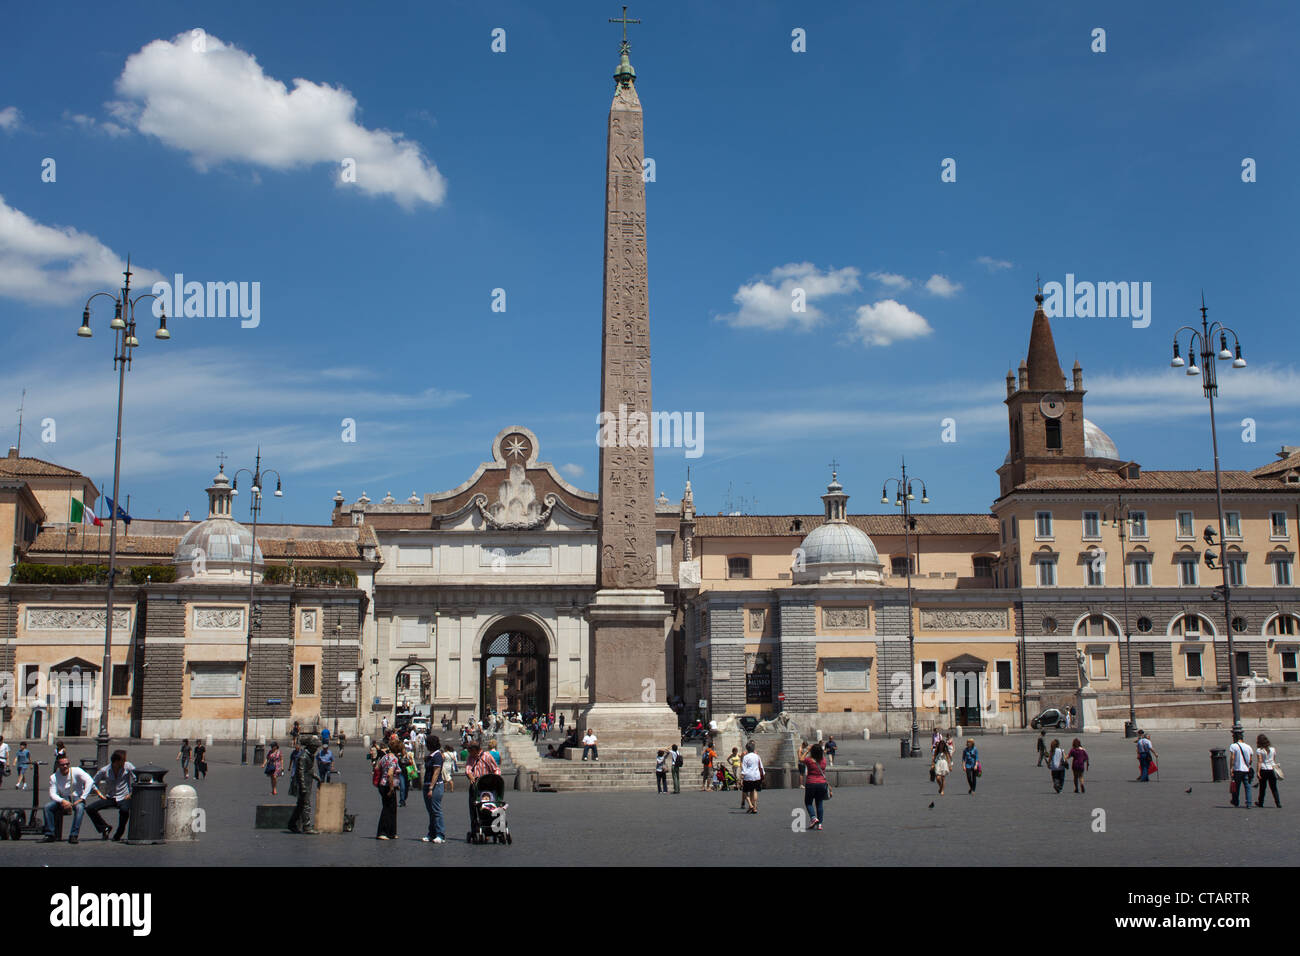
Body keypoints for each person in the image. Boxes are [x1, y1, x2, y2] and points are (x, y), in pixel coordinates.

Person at [41, 754, 95, 843]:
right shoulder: (54, 777)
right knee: (47, 807)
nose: (65, 766)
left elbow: (90, 781)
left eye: (67, 764)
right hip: (63, 798)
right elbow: (52, 794)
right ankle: (50, 834)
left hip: (76, 797)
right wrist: (62, 801)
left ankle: (74, 835)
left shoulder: (76, 771)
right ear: (58, 766)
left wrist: (83, 797)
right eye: (62, 764)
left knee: (80, 808)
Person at [86, 750, 135, 841]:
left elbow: (137, 779)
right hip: (111, 797)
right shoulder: (105, 770)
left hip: (124, 797)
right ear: (116, 761)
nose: (124, 762)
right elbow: (93, 782)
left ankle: (119, 833)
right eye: (123, 761)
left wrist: (131, 794)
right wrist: (99, 794)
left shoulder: (128, 766)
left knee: (124, 810)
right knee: (90, 808)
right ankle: (104, 827)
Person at [464, 741, 500, 835]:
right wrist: (470, 776)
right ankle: (474, 829)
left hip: (487, 786)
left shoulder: (487, 756)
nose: (469, 753)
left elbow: (496, 768)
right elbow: (468, 769)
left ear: (476, 749)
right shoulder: (470, 757)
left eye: (470, 751)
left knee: (488, 807)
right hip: (475, 786)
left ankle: (489, 829)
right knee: (473, 808)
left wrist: (496, 779)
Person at [797, 741, 828, 830]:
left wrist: (807, 751)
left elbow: (801, 759)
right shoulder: (824, 760)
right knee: (819, 803)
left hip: (811, 783)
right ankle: (820, 824)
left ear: (812, 752)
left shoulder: (809, 760)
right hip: (822, 783)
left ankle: (813, 818)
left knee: (808, 802)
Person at [422, 734, 445, 843]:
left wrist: (431, 787)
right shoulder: (431, 755)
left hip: (435, 786)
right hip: (427, 785)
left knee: (436, 810)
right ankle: (431, 833)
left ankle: (440, 834)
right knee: (431, 811)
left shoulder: (437, 756)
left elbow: (436, 773)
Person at [375, 741, 400, 840]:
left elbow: (377, 767)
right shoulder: (393, 759)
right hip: (388, 785)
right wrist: (391, 787)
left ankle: (391, 832)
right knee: (388, 808)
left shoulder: (385, 757)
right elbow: (390, 774)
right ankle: (383, 832)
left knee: (392, 808)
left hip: (382, 784)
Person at [1229, 731, 1254, 809]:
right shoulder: (1248, 747)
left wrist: (1231, 768)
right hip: (1246, 770)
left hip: (1237, 769)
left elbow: (1232, 758)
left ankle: (1236, 801)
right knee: (1248, 787)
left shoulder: (1233, 746)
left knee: (1236, 787)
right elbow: (1250, 760)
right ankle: (1249, 803)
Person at [1255, 734, 1281, 808]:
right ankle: (1278, 803)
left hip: (1263, 769)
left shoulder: (1259, 750)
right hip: (1271, 769)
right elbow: (1273, 760)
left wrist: (1258, 771)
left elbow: (1259, 761)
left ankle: (1261, 803)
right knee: (1274, 788)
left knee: (1262, 788)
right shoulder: (1273, 749)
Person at [740, 740, 764, 814]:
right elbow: (761, 766)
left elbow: (744, 768)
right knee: (754, 791)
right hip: (756, 776)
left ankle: (750, 805)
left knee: (745, 791)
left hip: (748, 776)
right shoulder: (757, 756)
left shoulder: (746, 757)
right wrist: (762, 774)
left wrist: (742, 777)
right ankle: (755, 807)